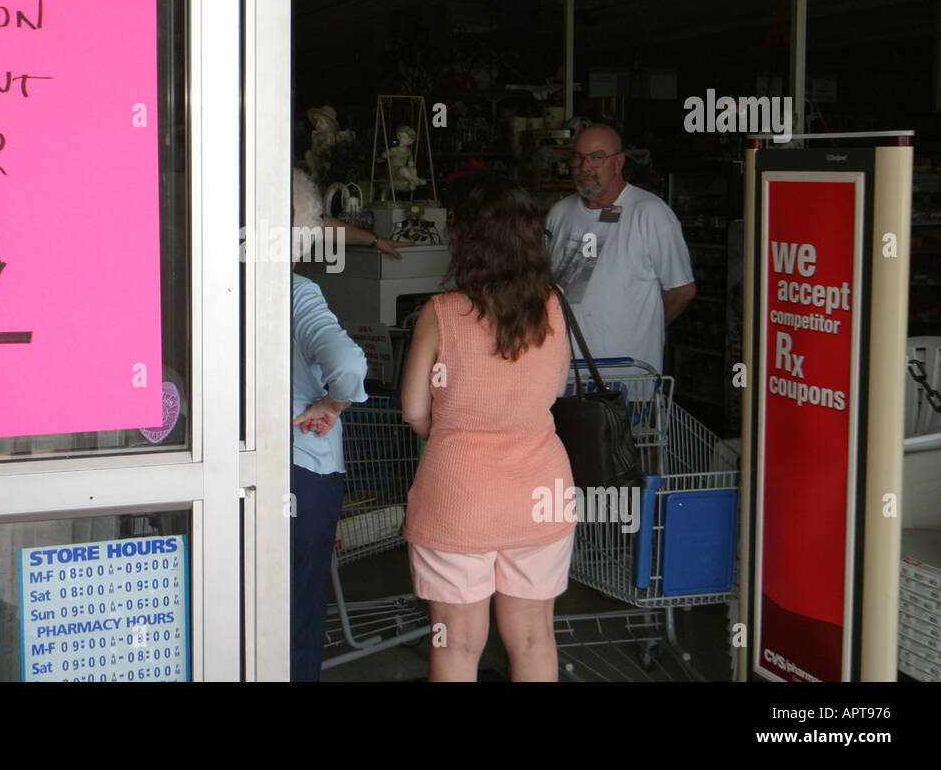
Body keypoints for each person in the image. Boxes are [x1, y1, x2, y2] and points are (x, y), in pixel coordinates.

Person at [401, 173, 574, 682]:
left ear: (462, 239)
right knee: (533, 636)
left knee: (455, 647)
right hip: (541, 492)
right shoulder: (555, 305)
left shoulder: (441, 313)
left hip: (457, 496)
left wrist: (453, 433)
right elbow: (556, 392)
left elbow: (413, 410)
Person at [289, 168, 368, 681]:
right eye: (315, 217)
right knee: (296, 612)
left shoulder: (208, 285)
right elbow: (350, 365)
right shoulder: (298, 294)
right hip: (302, 471)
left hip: (230, 471)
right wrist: (334, 406)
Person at [545, 124, 695, 374]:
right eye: (578, 158)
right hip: (566, 378)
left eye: (597, 158)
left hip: (626, 380)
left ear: (618, 163)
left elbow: (682, 291)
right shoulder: (559, 214)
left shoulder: (650, 213)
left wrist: (646, 326)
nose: (585, 168)